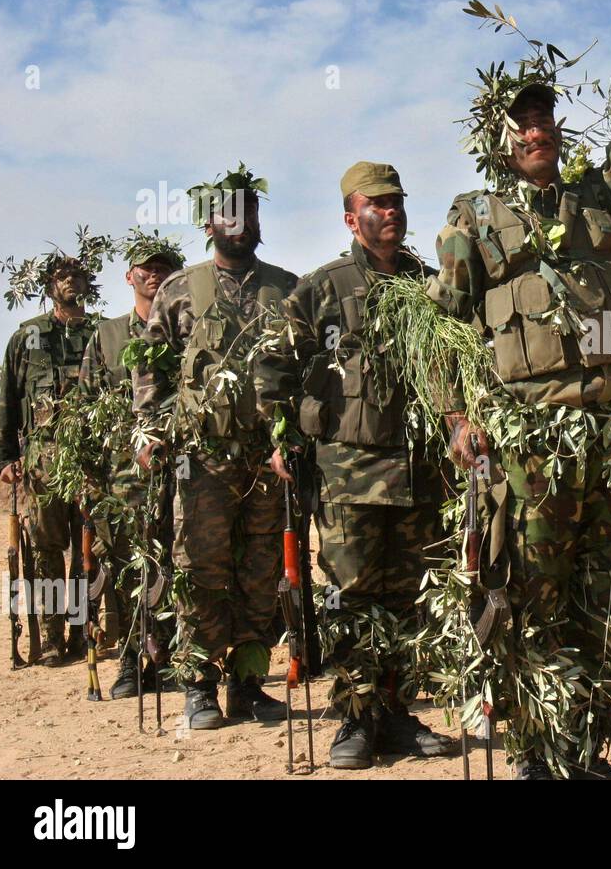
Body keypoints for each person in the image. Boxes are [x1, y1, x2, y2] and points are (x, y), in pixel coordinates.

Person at [426, 0, 611, 779]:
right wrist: (455, 417)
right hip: (534, 438)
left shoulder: (603, 196)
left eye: (547, 117)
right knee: (536, 598)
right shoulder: (473, 218)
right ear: (500, 138)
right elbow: (442, 330)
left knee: (609, 598)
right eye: (523, 122)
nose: (539, 129)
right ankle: (540, 754)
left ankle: (590, 746)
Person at [255, 161, 458, 768]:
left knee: (411, 599)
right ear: (351, 216)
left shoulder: (430, 283)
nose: (390, 211)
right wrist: (283, 434)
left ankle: (396, 714)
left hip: (421, 474)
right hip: (347, 475)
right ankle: (354, 719)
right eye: (377, 204)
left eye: (397, 202)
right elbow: (273, 369)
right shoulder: (321, 288)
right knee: (351, 596)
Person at [133, 164, 298, 729]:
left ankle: (249, 682)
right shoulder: (181, 289)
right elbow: (152, 369)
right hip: (200, 457)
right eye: (228, 211)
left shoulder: (286, 287)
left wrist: (291, 440)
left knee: (260, 570)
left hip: (265, 459)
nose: (240, 221)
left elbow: (302, 373)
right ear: (209, 223)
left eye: (249, 210)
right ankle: (199, 683)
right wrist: (150, 431)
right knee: (200, 569)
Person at [79, 230, 185, 697]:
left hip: (176, 469)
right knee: (124, 566)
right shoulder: (106, 335)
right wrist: (86, 472)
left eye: (164, 266)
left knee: (172, 563)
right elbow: (83, 405)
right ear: (129, 276)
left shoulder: (187, 327)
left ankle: (168, 658)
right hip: (120, 477)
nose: (155, 273)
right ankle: (129, 660)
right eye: (146, 266)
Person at [0, 253, 101, 665]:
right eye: (61, 275)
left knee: (91, 549)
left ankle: (86, 630)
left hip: (92, 460)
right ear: (48, 285)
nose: (70, 281)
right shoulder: (27, 338)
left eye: (76, 274)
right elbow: (9, 400)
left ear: (87, 284)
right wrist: (3, 458)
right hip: (43, 464)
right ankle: (54, 638)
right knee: (46, 552)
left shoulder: (102, 334)